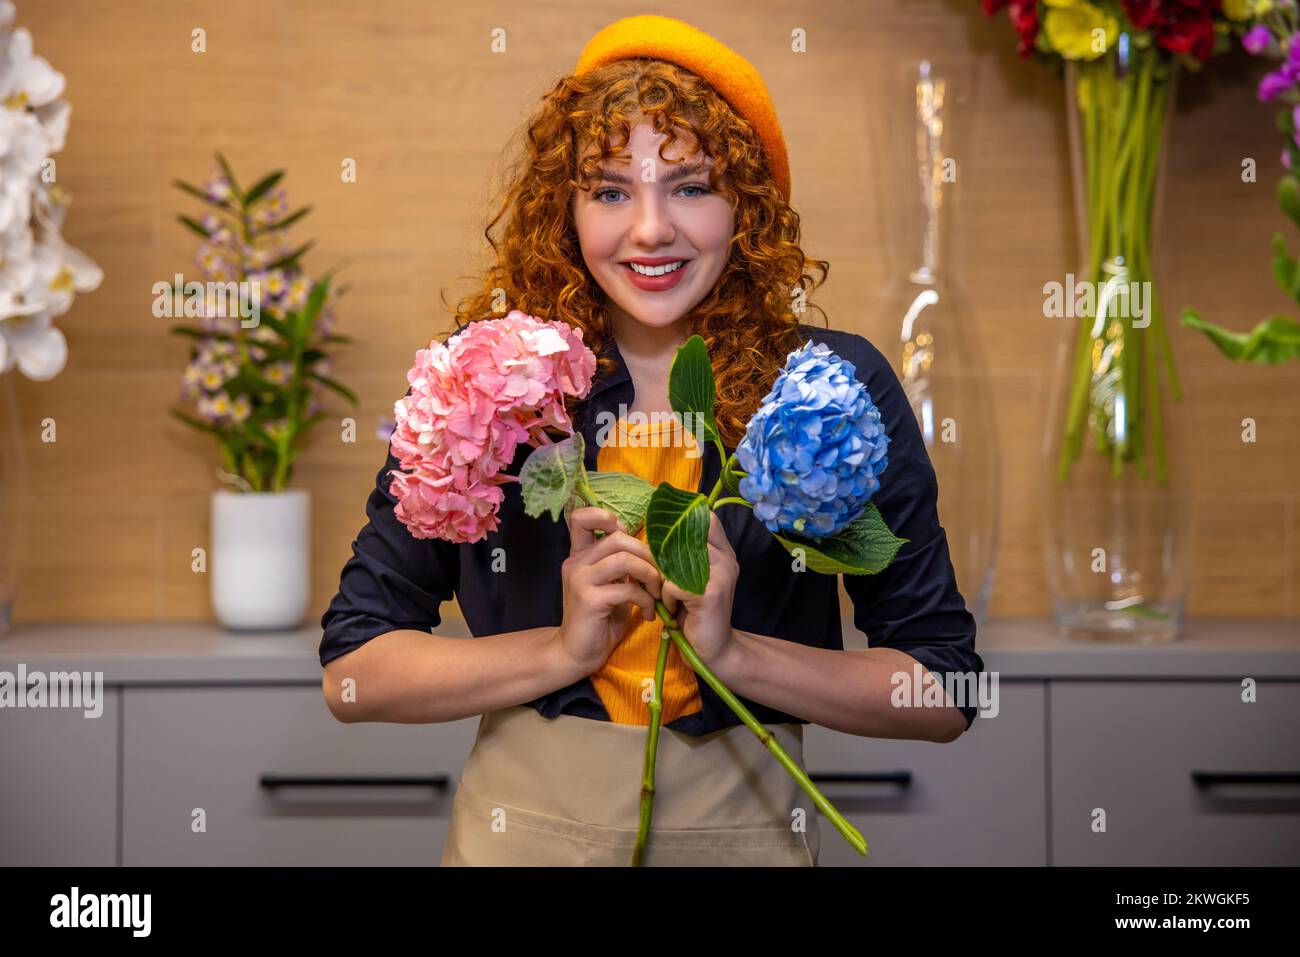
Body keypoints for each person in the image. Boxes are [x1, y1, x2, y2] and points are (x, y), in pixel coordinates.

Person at [319, 14, 984, 867]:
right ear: (563, 209)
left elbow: (946, 687)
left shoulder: (827, 390)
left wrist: (737, 654)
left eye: (692, 185)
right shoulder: (490, 383)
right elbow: (352, 670)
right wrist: (560, 650)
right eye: (609, 190)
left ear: (747, 204)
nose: (649, 230)